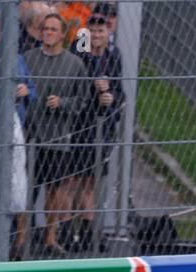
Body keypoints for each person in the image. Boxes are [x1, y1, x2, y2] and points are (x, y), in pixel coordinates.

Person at [23, 12, 88, 255]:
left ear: (62, 34)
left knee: (54, 189)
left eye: (53, 29)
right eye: (45, 29)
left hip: (58, 137)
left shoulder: (74, 64)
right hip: (30, 135)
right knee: (26, 189)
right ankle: (21, 240)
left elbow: (82, 101)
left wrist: (62, 103)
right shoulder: (27, 58)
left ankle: (51, 239)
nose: (48, 33)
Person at [71, 11, 124, 253]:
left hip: (103, 126)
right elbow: (71, 82)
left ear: (108, 32)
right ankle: (70, 230)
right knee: (74, 179)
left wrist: (111, 95)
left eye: (101, 30)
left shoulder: (113, 56)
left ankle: (88, 230)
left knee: (92, 180)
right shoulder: (79, 52)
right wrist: (92, 84)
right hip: (79, 123)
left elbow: (120, 90)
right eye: (92, 30)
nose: (96, 34)